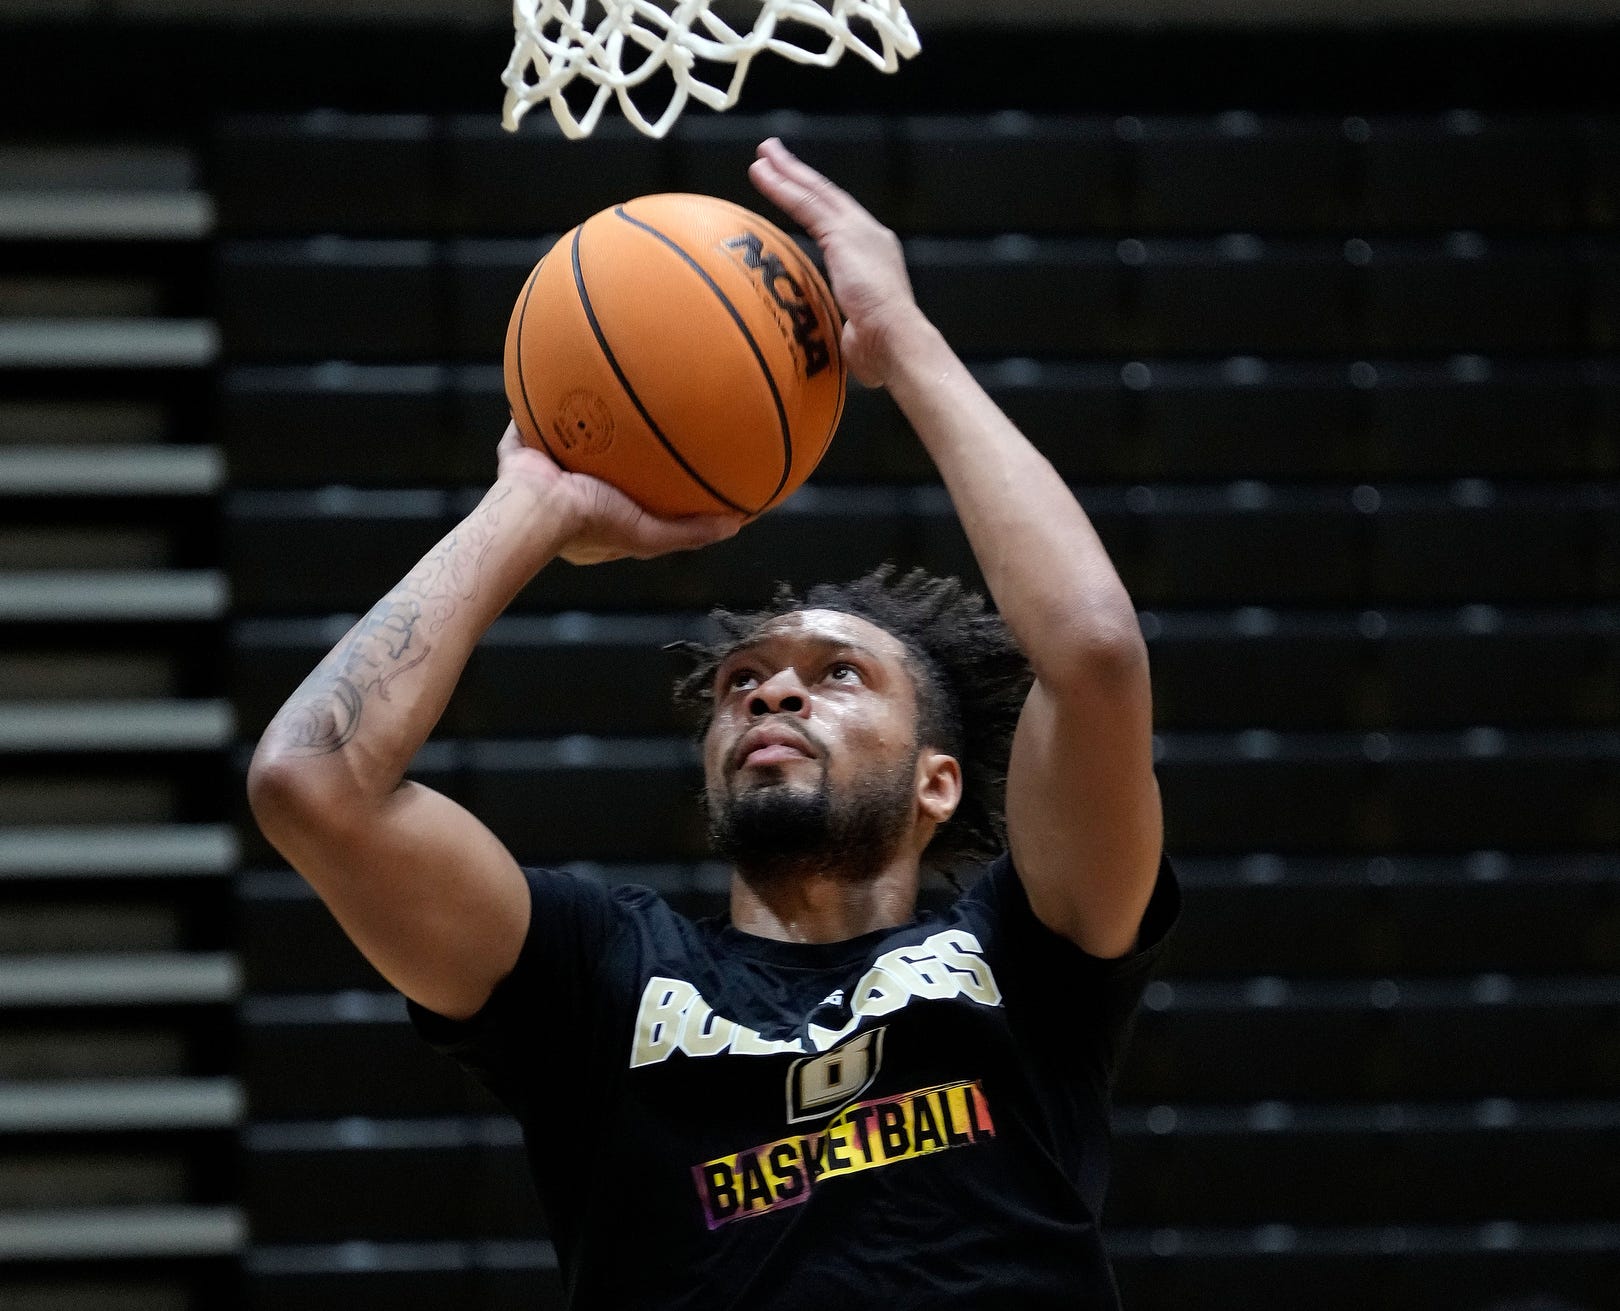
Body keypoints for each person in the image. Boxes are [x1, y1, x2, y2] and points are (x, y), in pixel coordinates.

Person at [248, 138, 1177, 1310]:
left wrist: (908, 348)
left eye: (837, 675)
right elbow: (309, 786)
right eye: (743, 683)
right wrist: (532, 498)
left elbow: (1093, 654)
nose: (772, 692)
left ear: (940, 783)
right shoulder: (596, 977)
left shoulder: (1031, 959)